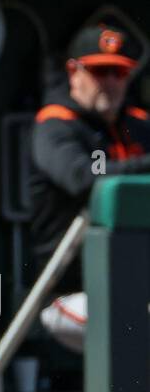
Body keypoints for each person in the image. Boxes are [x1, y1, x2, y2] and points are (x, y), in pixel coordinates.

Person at [30, 23, 150, 351]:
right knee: (131, 324)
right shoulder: (55, 123)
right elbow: (81, 178)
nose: (110, 82)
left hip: (138, 285)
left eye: (118, 73)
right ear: (74, 72)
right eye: (100, 71)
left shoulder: (139, 123)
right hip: (70, 292)